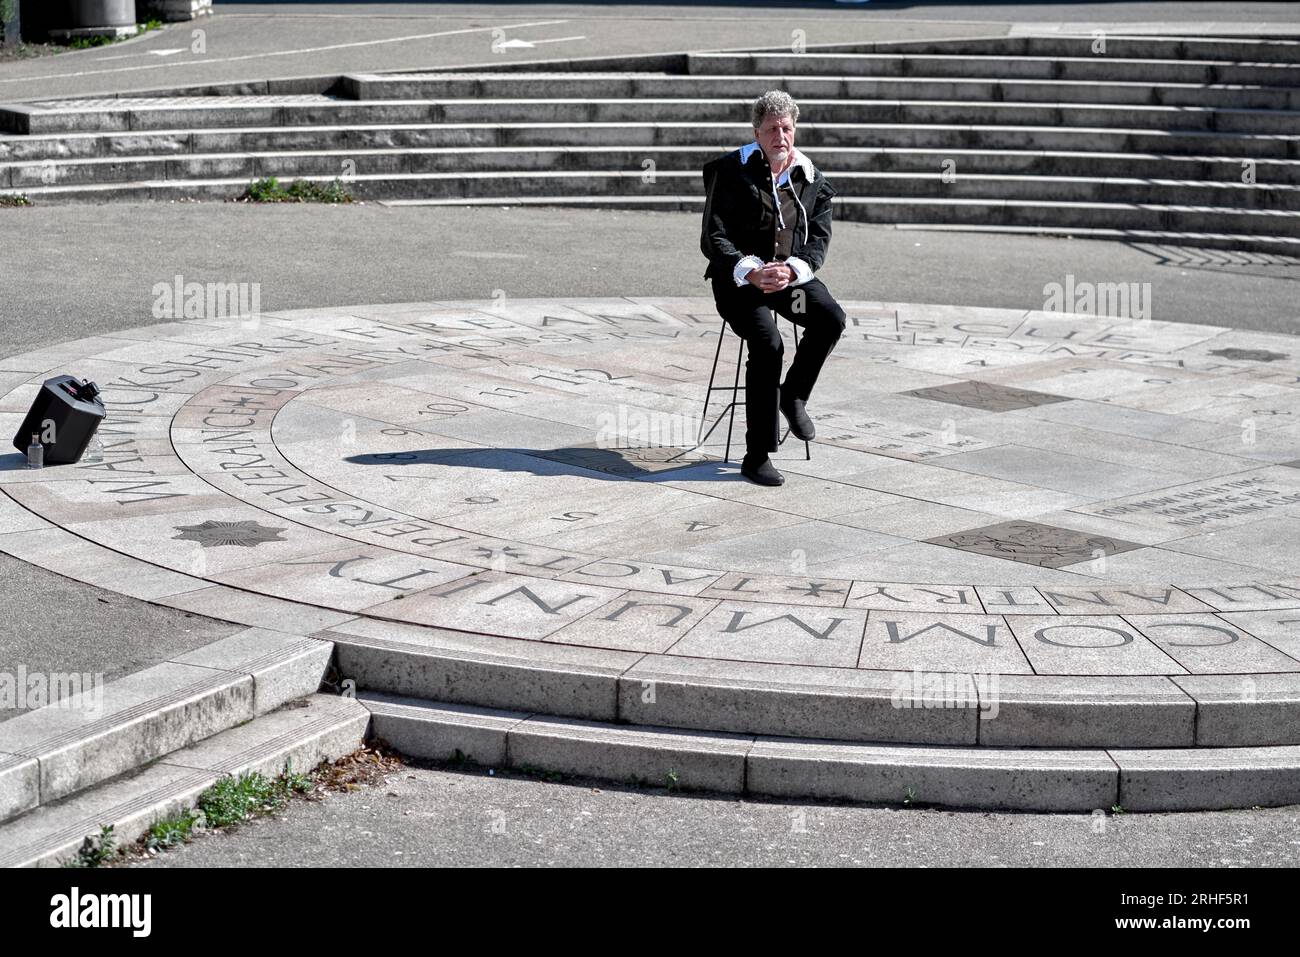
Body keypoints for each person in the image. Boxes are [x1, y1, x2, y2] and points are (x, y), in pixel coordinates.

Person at [700, 90, 847, 486]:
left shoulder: (811, 178)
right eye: (771, 129)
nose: (780, 136)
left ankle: (793, 395)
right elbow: (713, 238)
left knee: (831, 318)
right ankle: (757, 454)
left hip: (787, 282)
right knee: (768, 344)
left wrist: (792, 270)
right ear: (757, 133)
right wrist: (749, 270)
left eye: (786, 128)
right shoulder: (731, 171)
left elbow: (818, 240)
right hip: (739, 283)